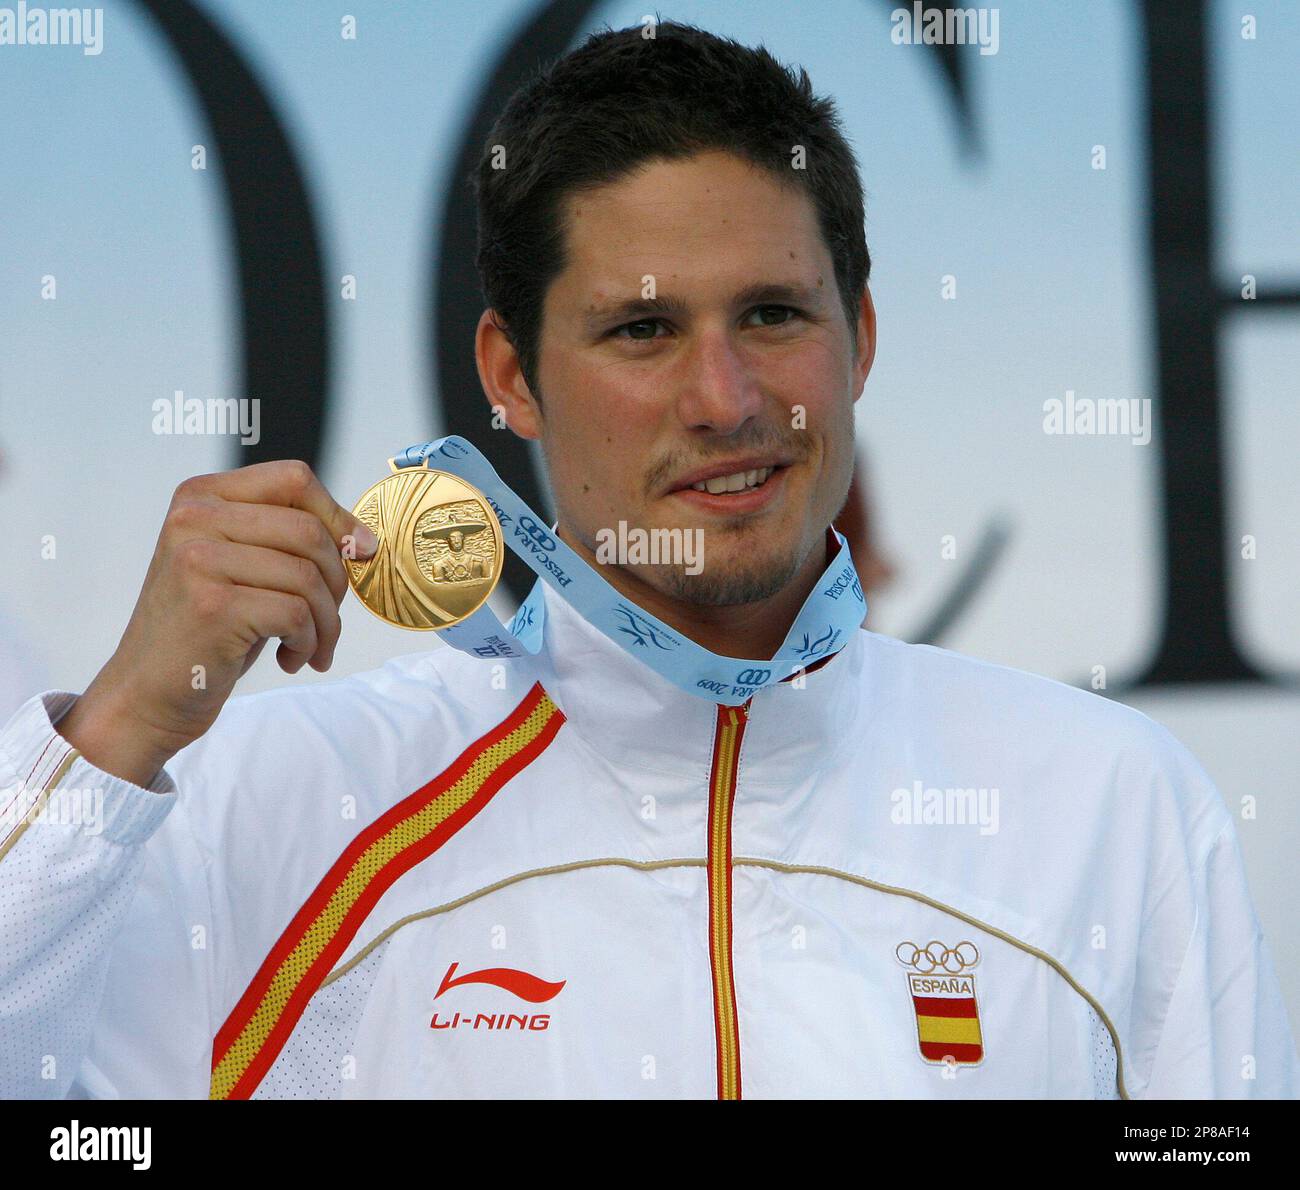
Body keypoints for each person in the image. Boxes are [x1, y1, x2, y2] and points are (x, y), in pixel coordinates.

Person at [1, 21, 1294, 1100]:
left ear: (863, 339)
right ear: (510, 374)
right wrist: (113, 731)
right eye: (642, 328)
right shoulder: (282, 808)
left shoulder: (1110, 808)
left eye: (773, 314)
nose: (724, 397)